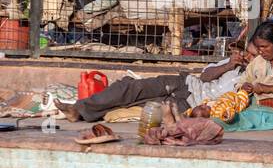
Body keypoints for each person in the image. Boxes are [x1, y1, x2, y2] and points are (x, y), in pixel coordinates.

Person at [55, 41, 248, 123]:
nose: (249, 57)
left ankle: (85, 113)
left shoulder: (253, 78)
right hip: (185, 84)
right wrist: (229, 65)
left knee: (142, 107)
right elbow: (205, 77)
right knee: (130, 88)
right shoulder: (234, 64)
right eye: (251, 52)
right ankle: (78, 109)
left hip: (189, 104)